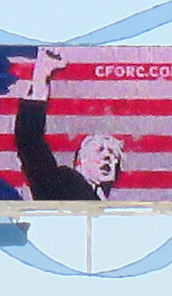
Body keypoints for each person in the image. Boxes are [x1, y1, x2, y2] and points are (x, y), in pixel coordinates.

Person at [11, 46, 122, 201]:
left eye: (114, 155)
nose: (108, 157)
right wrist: (42, 75)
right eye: (100, 150)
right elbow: (29, 141)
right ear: (79, 162)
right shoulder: (61, 185)